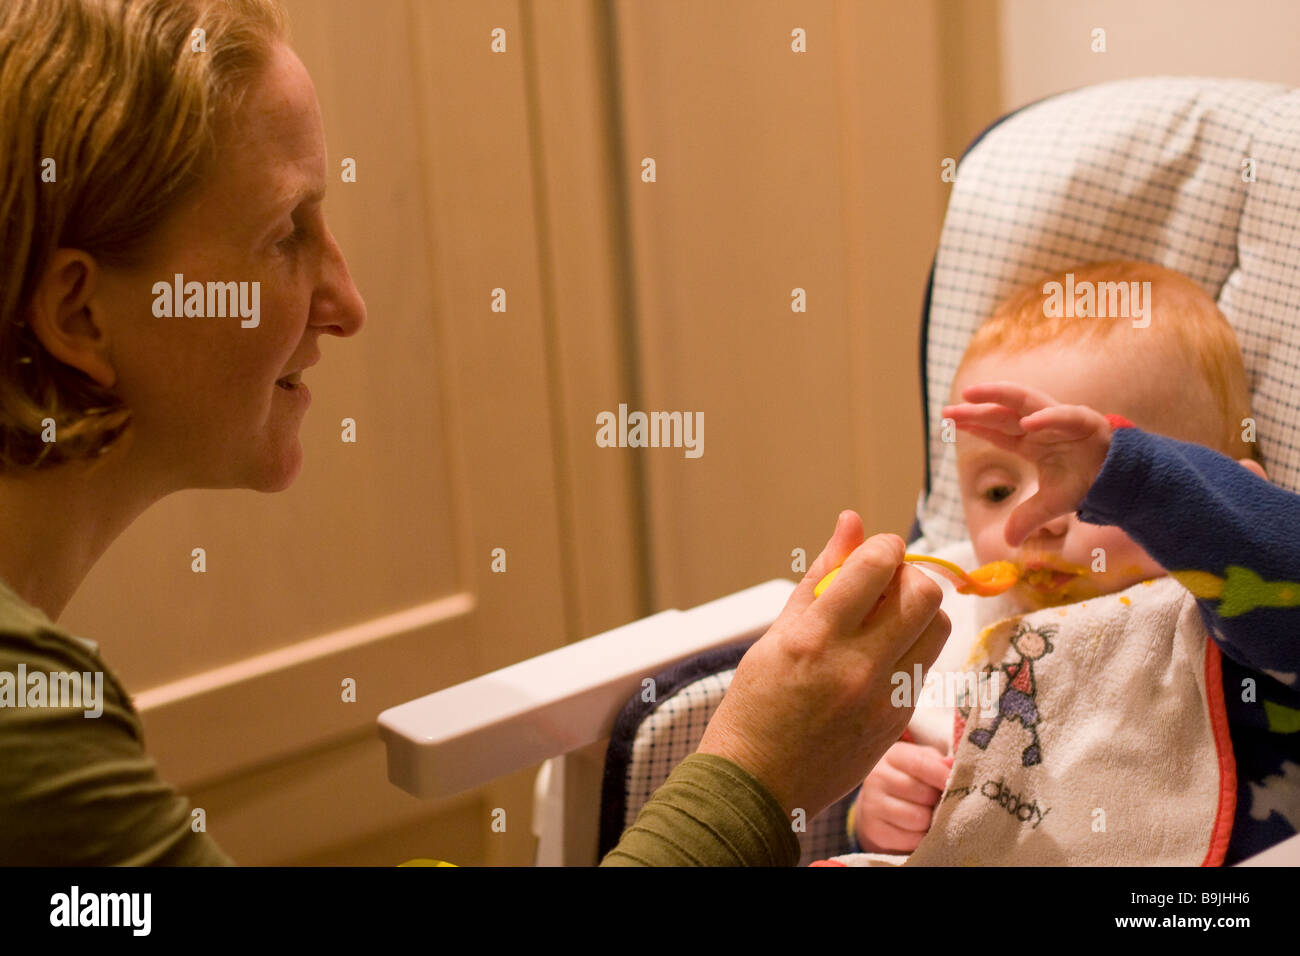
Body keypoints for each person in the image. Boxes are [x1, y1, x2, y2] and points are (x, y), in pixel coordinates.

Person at [0, 0, 950, 866]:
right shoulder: (32, 739)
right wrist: (754, 769)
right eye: (285, 232)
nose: (347, 302)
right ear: (79, 315)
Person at [845, 260, 1300, 864]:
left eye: (1089, 489)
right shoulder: (955, 620)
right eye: (1000, 491)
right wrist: (878, 812)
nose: (1041, 518)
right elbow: (889, 769)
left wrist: (1145, 483)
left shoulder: (1223, 606)